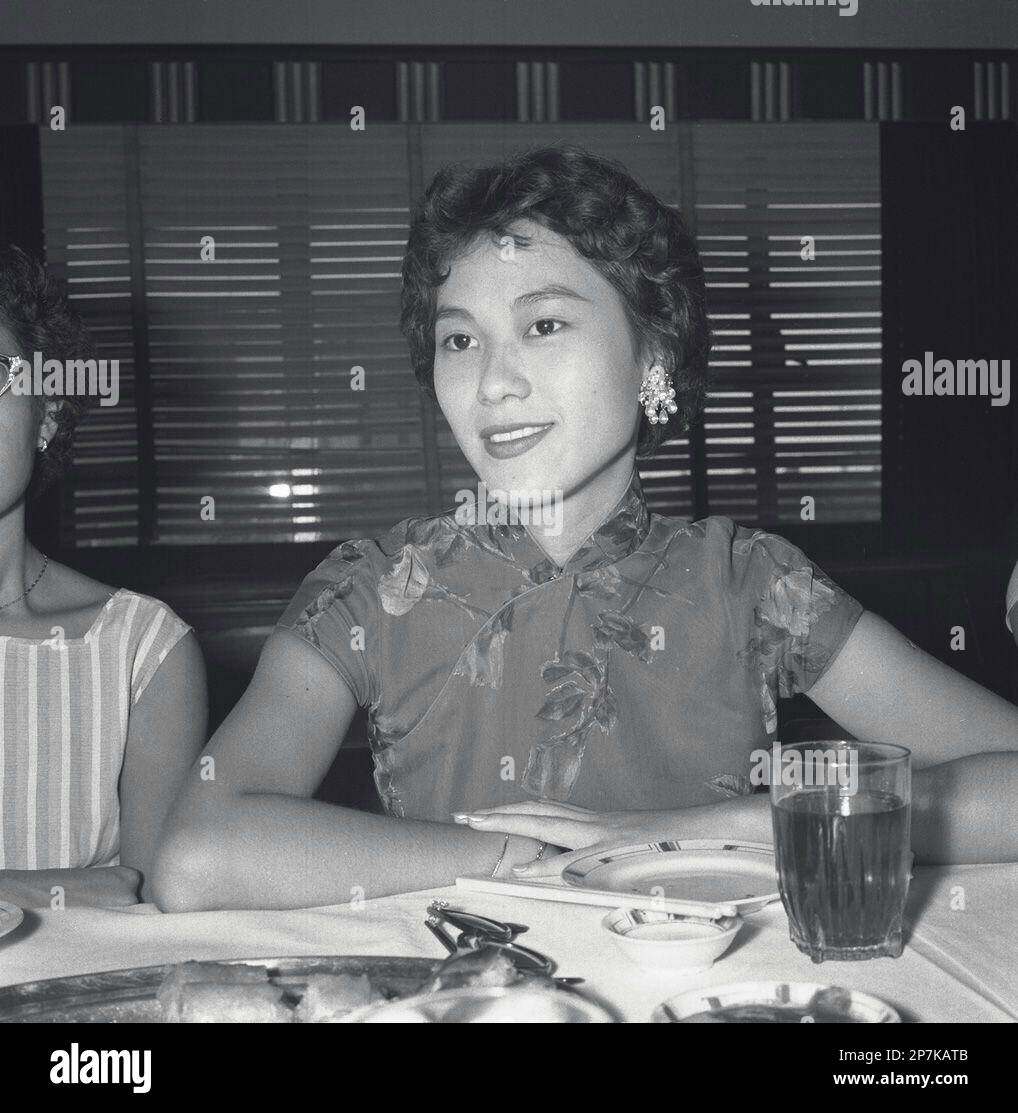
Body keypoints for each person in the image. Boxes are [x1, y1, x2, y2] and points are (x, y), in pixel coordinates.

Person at [152, 145, 1018, 913]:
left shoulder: (752, 583)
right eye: (460, 341)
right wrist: (527, 856)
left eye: (544, 324)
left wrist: (685, 831)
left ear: (652, 353)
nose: (493, 382)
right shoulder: (370, 588)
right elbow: (195, 856)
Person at [0, 246, 207, 908]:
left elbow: (149, 905)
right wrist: (75, 888)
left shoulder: (142, 649)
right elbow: (106, 891)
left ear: (48, 414)